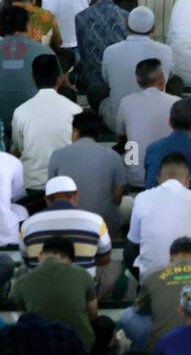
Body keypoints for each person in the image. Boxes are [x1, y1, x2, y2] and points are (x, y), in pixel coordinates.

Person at [127, 155, 191, 281]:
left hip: (152, 279)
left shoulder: (141, 199)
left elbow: (134, 240)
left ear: (158, 178)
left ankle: (143, 286)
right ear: (188, 180)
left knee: (129, 251)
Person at [46, 110, 125, 234]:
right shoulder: (114, 156)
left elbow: (51, 194)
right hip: (104, 226)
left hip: (67, 225)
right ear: (98, 134)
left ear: (76, 132)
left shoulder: (57, 155)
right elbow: (117, 199)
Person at [11, 54, 80, 193]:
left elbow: (18, 149)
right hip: (66, 186)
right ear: (59, 78)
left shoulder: (20, 112)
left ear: (33, 79)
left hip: (32, 187)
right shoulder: (75, 110)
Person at [100, 5, 174, 134]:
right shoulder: (166, 51)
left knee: (97, 93)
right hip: (157, 122)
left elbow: (106, 79)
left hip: (118, 124)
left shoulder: (110, 51)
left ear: (126, 24)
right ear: (153, 28)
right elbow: (169, 77)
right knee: (175, 83)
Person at [116, 59, 179, 189]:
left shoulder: (126, 102)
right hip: (168, 176)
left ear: (139, 82)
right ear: (162, 79)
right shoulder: (175, 102)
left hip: (134, 175)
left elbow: (121, 139)